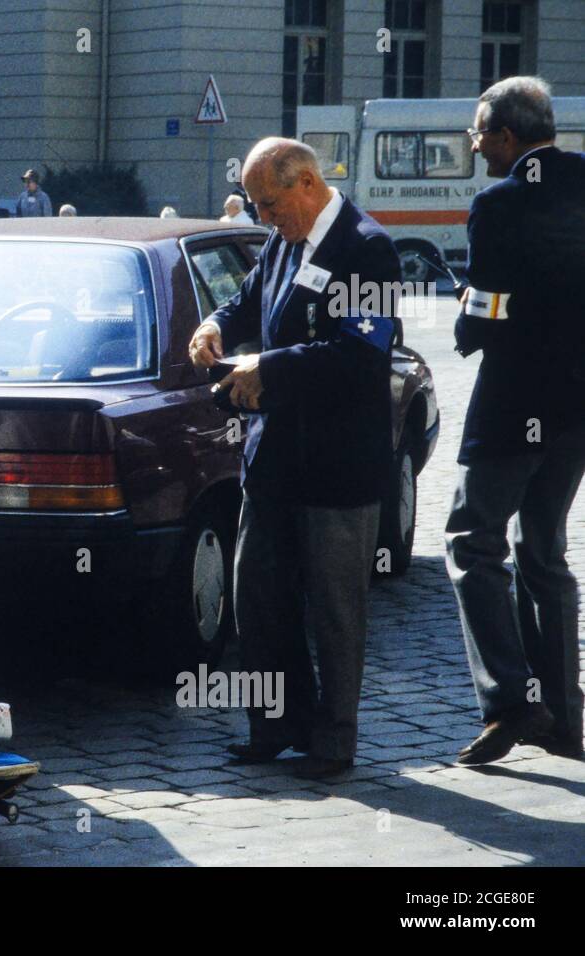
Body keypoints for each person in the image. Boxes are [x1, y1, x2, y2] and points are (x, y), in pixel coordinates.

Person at [188, 137, 398, 780]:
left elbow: (363, 357)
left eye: (270, 204)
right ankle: (274, 725)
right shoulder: (284, 236)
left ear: (306, 183)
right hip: (273, 457)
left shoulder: (366, 248)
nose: (263, 217)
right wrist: (217, 325)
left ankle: (333, 740)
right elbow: (248, 299)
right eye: (256, 206)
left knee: (335, 610)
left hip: (338, 463)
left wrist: (269, 368)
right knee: (259, 597)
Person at [445, 76, 585, 765]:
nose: (474, 146)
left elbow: (488, 313)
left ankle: (511, 702)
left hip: (513, 406)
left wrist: (468, 305)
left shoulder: (497, 204)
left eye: (479, 133)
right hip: (577, 408)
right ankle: (564, 716)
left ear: (506, 136)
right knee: (546, 553)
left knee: (472, 543)